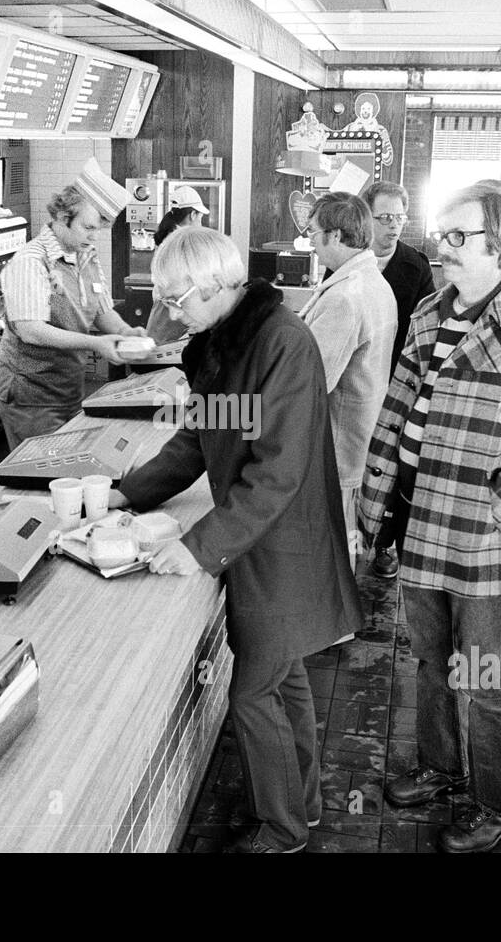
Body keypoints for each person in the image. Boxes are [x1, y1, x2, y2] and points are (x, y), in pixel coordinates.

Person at [109, 227, 362, 853]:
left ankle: (281, 830)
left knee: (252, 695)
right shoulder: (223, 338)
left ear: (220, 285)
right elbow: (200, 435)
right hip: (258, 540)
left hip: (285, 545)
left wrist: (196, 547)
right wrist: (127, 493)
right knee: (284, 680)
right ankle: (303, 805)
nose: (170, 312)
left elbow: (275, 474)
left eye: (177, 298)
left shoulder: (283, 344)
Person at [362, 183, 501, 852]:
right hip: (418, 520)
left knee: (485, 678)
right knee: (433, 662)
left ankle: (499, 801)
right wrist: (375, 500)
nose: (442, 247)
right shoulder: (431, 310)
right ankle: (440, 768)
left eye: (458, 237)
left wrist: (492, 512)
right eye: (442, 234)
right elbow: (397, 407)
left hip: (483, 541)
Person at [0, 158, 146, 450]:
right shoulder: (30, 261)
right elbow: (32, 331)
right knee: (42, 474)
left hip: (68, 388)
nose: (93, 236)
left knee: (67, 464)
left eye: (98, 229)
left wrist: (126, 332)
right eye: (88, 227)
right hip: (31, 396)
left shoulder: (86, 253)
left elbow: (101, 310)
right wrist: (96, 345)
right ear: (63, 218)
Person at [301, 192, 397, 566]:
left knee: (334, 550)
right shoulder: (372, 282)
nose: (312, 242)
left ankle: (338, 625)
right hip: (360, 433)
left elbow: (311, 381)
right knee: (344, 542)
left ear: (337, 236)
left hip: (339, 442)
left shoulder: (345, 296)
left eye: (314, 233)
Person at [361, 180, 436, 579]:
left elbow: (422, 334)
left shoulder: (416, 265)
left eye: (399, 217)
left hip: (398, 381)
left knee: (393, 464)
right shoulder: (349, 260)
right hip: (358, 379)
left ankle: (385, 544)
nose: (393, 226)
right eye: (384, 217)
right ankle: (355, 535)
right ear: (366, 218)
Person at [145, 185, 210, 345]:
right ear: (193, 214)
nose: (201, 223)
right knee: (163, 361)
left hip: (170, 310)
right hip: (170, 313)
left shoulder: (172, 236)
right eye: (200, 217)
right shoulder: (178, 241)